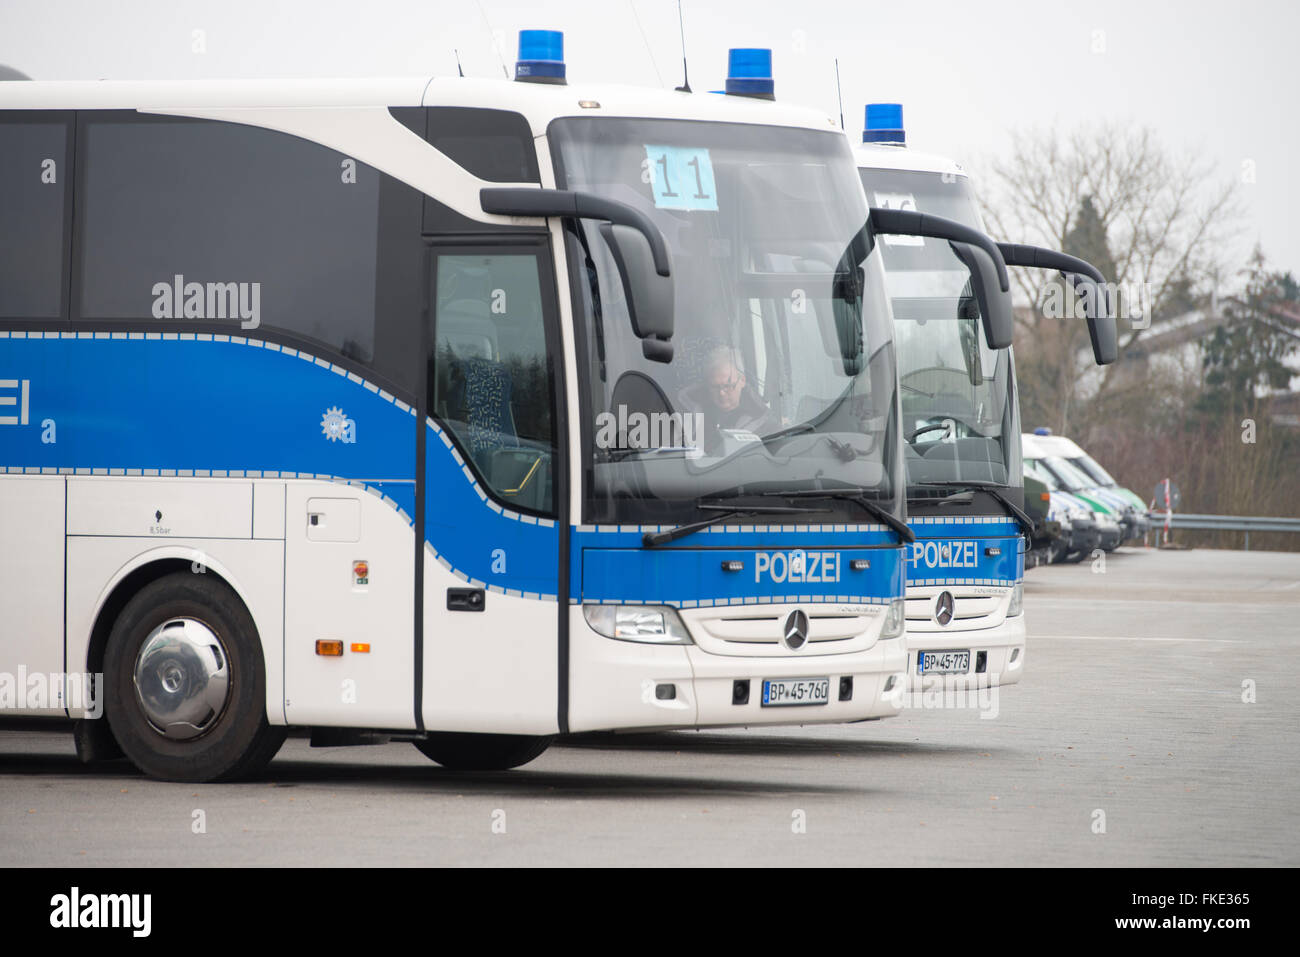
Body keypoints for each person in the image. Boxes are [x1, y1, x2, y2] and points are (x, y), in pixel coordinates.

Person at [679, 346, 781, 440]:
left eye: (728, 386)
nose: (722, 393)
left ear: (742, 380)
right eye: (715, 387)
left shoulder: (764, 421)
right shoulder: (685, 409)